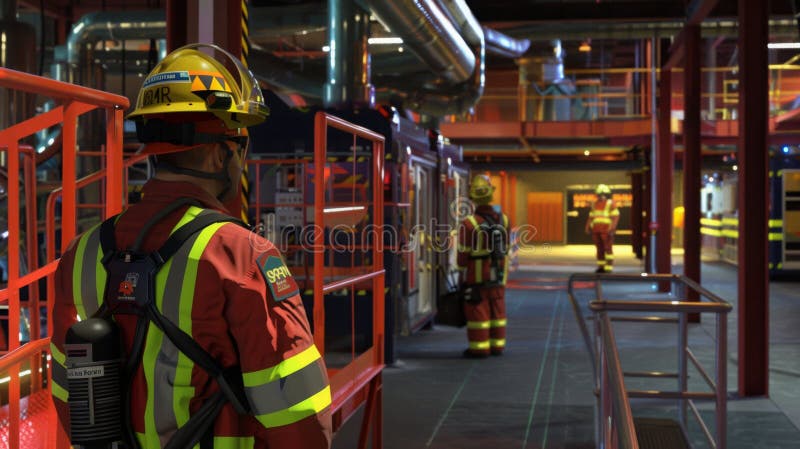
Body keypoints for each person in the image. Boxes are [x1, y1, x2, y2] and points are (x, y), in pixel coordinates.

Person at [50, 44, 332, 449]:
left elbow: (69, 395)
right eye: (239, 147)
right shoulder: (242, 257)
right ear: (221, 154)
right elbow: (298, 414)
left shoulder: (81, 253)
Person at [457, 174, 509, 358]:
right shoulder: (504, 220)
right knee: (497, 310)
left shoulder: (468, 223)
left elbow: (462, 258)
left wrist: (462, 272)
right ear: (491, 194)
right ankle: (497, 346)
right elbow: (507, 248)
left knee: (478, 313)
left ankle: (479, 349)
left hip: (477, 278)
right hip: (499, 276)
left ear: (472, 198)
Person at [585, 184, 620, 273]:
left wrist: (612, 229)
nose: (600, 196)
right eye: (599, 194)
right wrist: (587, 227)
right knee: (599, 249)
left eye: (601, 194)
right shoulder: (594, 204)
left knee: (607, 248)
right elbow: (591, 217)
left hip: (606, 231)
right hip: (596, 230)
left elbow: (615, 217)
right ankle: (601, 267)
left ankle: (608, 268)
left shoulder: (610, 204)